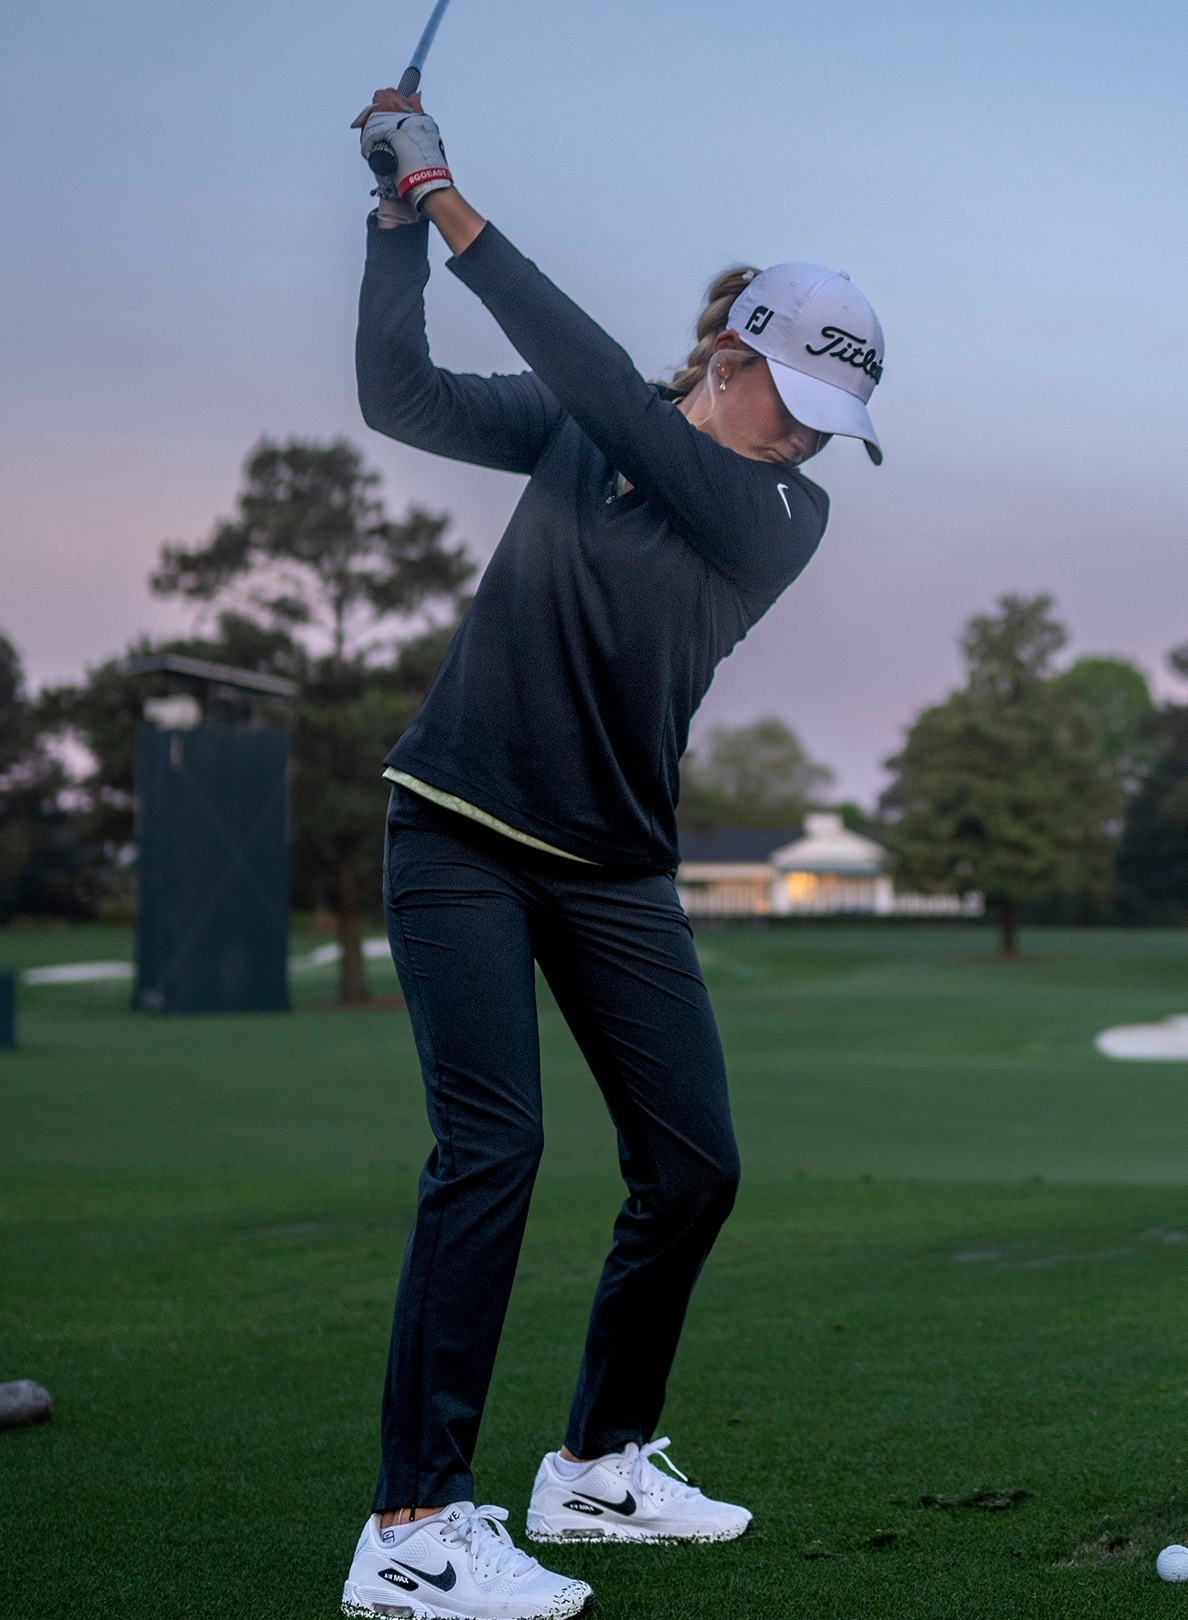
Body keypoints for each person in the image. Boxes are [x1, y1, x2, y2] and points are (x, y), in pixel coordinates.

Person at [334, 87, 886, 1620]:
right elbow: (404, 400)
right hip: (457, 830)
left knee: (696, 1167)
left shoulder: (778, 514)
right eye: (791, 400)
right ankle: (413, 1531)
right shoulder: (597, 424)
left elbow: (617, 403)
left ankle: (595, 1465)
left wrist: (454, 201)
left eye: (829, 426)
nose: (807, 439)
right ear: (731, 352)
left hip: (612, 865)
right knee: (492, 1150)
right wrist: (397, 227)